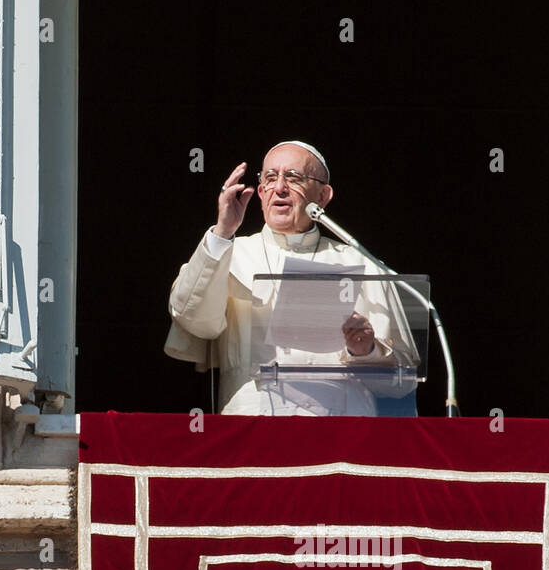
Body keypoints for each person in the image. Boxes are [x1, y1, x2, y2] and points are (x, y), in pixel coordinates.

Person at [164, 141, 418, 416]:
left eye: (294, 177)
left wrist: (366, 350)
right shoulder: (229, 253)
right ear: (260, 192)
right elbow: (192, 319)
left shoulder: (360, 262)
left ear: (322, 196)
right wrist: (223, 232)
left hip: (343, 433)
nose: (280, 187)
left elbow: (403, 384)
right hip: (253, 428)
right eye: (270, 178)